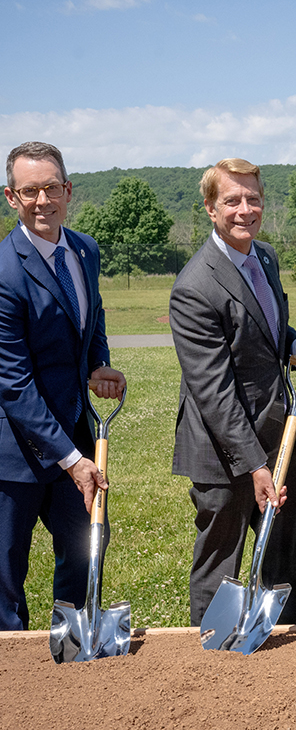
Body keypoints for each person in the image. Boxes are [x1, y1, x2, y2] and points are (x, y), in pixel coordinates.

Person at [170, 157, 296, 627]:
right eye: (232, 200)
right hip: (222, 449)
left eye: (253, 198)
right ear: (210, 208)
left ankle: (280, 643)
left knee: (281, 554)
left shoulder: (264, 257)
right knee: (220, 558)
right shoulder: (194, 286)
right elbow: (214, 391)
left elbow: (264, 325)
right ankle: (210, 648)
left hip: (276, 431)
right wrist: (255, 465)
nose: (245, 209)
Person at [0, 141, 126, 631]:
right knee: (6, 576)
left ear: (68, 190)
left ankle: (72, 650)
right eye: (29, 191)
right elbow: (13, 383)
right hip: (13, 452)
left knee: (86, 547)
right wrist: (72, 460)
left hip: (74, 432)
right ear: (11, 197)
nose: (42, 200)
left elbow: (93, 317)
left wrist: (99, 364)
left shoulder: (84, 249)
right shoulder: (5, 272)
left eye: (51, 188)